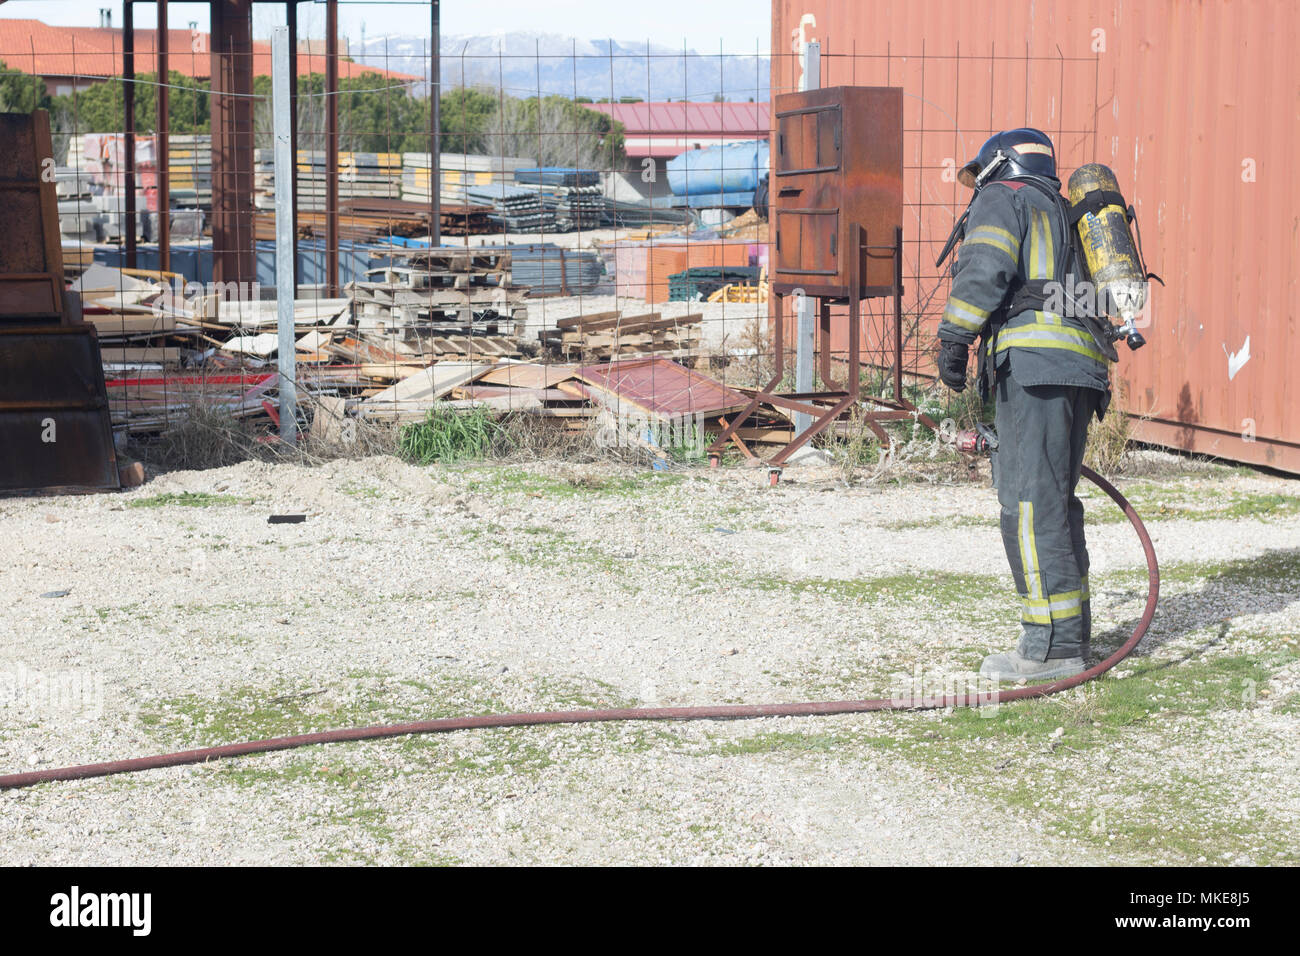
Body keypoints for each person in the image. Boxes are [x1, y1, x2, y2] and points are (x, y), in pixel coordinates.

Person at [935, 128, 1111, 681]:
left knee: (1029, 506)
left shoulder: (1003, 198)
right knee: (1056, 500)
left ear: (998, 166)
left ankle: (1048, 649)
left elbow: (984, 270)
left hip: (1033, 370)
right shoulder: (1067, 211)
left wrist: (954, 340)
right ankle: (1072, 635)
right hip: (1081, 371)